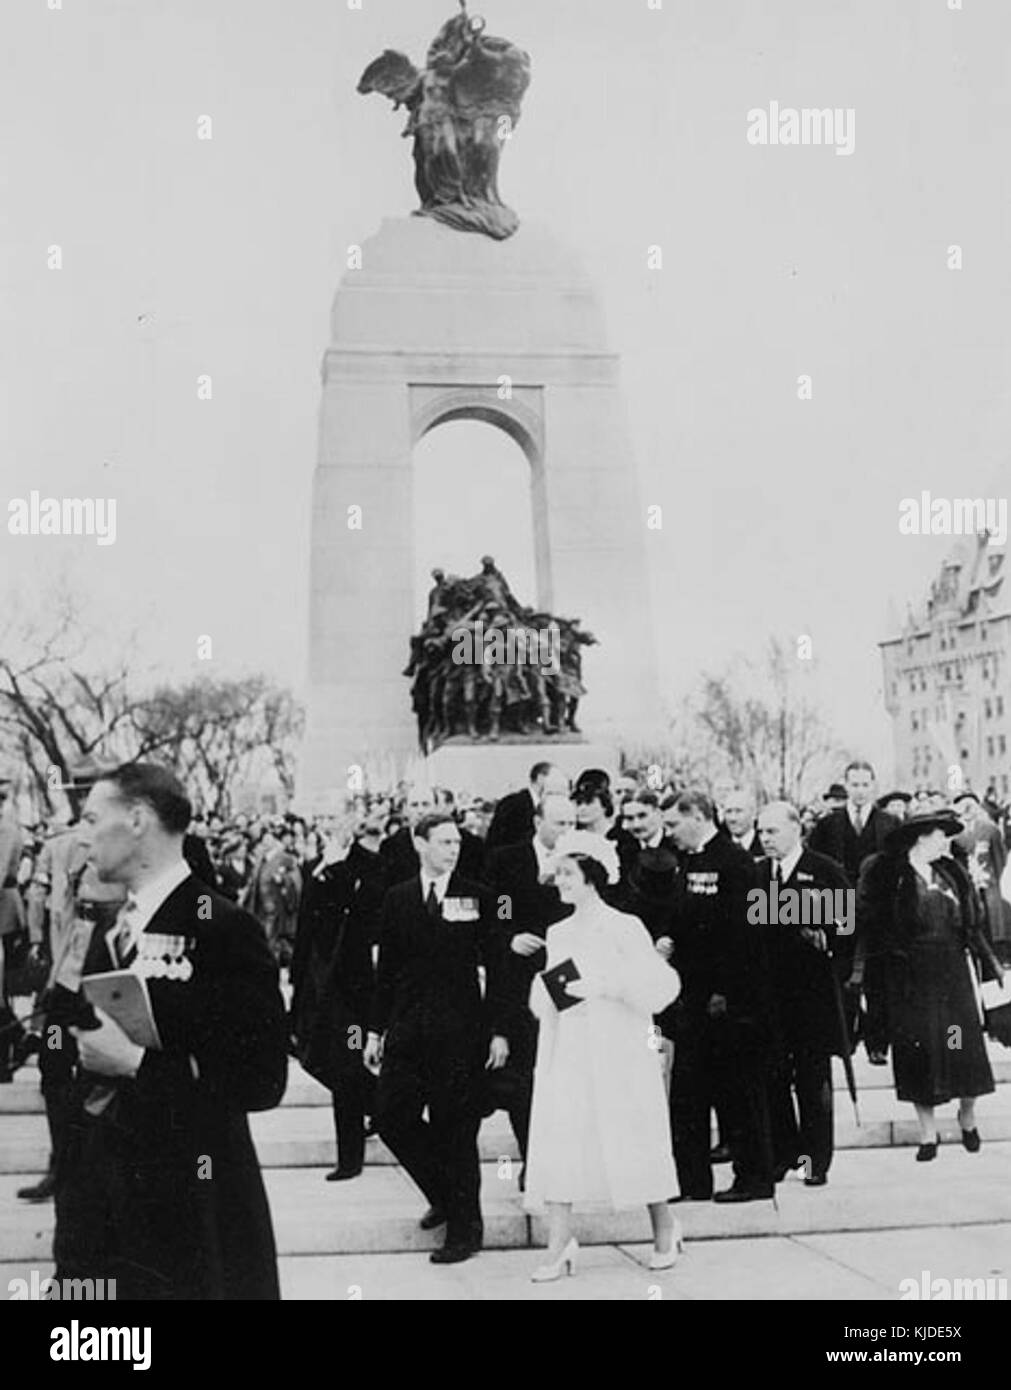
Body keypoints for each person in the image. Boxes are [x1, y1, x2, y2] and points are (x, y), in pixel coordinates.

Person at [55, 763, 288, 1299]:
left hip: (193, 1218)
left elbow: (260, 1080)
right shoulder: (109, 928)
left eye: (91, 817)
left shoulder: (225, 929)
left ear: (137, 819)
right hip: (104, 1221)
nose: (81, 833)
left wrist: (137, 1064)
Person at [524, 830, 681, 1280]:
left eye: (568, 873)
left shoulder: (624, 926)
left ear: (591, 876)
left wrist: (609, 987)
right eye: (557, 874)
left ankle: (664, 1227)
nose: (560, 882)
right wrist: (546, 989)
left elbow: (661, 986)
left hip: (620, 1051)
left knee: (636, 1136)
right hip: (572, 1051)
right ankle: (559, 1244)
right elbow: (555, 998)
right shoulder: (558, 931)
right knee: (562, 1141)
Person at [366, 812, 509, 1264]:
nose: (453, 849)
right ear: (419, 843)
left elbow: (501, 969)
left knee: (456, 1130)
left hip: (461, 1035)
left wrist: (500, 1031)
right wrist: (375, 1030)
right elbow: (385, 970)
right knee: (390, 1117)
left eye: (457, 843)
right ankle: (445, 1194)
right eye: (444, 842)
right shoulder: (397, 898)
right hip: (408, 1032)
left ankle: (465, 1231)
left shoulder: (478, 897)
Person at [859, 806, 1001, 1161]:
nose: (947, 841)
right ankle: (928, 1133)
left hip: (951, 975)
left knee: (959, 1045)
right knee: (919, 1052)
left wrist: (988, 962)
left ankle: (966, 1116)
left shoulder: (953, 873)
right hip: (910, 980)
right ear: (922, 838)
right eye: (941, 835)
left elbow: (973, 923)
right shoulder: (891, 876)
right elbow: (873, 927)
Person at [662, 790, 777, 1203]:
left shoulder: (735, 862)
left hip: (729, 1001)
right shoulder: (689, 860)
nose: (669, 833)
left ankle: (755, 1178)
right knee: (688, 1094)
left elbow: (746, 936)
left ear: (697, 816)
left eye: (674, 823)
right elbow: (683, 915)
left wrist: (726, 992)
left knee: (738, 1094)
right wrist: (668, 939)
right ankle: (692, 1181)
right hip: (691, 995)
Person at [20, 760, 126, 1200]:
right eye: (80, 794)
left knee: (104, 1080)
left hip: (111, 983)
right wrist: (41, 950)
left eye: (91, 793)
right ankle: (62, 1165)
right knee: (55, 1070)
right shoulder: (59, 846)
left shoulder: (128, 848)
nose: (84, 801)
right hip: (66, 983)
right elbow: (45, 908)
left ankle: (94, 1170)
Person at [755, 801, 851, 1187]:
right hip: (771, 994)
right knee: (774, 1078)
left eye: (773, 831)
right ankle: (783, 1154)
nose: (766, 839)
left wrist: (827, 938)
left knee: (812, 1082)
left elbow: (847, 926)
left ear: (796, 829)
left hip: (812, 995)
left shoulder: (824, 870)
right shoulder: (759, 873)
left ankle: (814, 1163)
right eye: (762, 832)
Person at [487, 794, 576, 1173]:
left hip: (565, 973)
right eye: (559, 823)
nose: (566, 831)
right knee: (522, 1076)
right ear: (538, 822)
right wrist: (511, 936)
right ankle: (531, 1157)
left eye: (572, 824)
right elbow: (500, 906)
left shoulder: (580, 862)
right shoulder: (508, 860)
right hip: (521, 975)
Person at [291, 812, 379, 1182]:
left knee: (345, 1065)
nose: (333, 829)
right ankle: (377, 1103)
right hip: (317, 985)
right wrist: (297, 983)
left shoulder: (370, 866)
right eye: (326, 824)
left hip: (356, 990)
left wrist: (339, 869)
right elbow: (306, 926)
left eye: (339, 823)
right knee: (315, 1059)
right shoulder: (313, 867)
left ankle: (351, 1156)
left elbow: (360, 915)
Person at [808, 760, 899, 1063]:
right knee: (842, 974)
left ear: (874, 786)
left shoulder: (889, 824)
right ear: (846, 786)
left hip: (878, 912)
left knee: (878, 979)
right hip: (839, 909)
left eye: (865, 784)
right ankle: (844, 1038)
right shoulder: (827, 825)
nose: (860, 791)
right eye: (854, 784)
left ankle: (877, 1042)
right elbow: (815, 869)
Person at [953, 791, 1010, 963]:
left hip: (989, 880)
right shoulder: (955, 832)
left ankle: (998, 951)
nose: (968, 810)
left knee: (994, 918)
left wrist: (998, 879)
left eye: (971, 805)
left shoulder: (989, 828)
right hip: (968, 881)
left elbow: (999, 858)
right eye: (963, 806)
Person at [485, 761, 569, 850]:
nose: (561, 785)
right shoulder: (513, 804)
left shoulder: (543, 805)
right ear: (541, 778)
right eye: (556, 779)